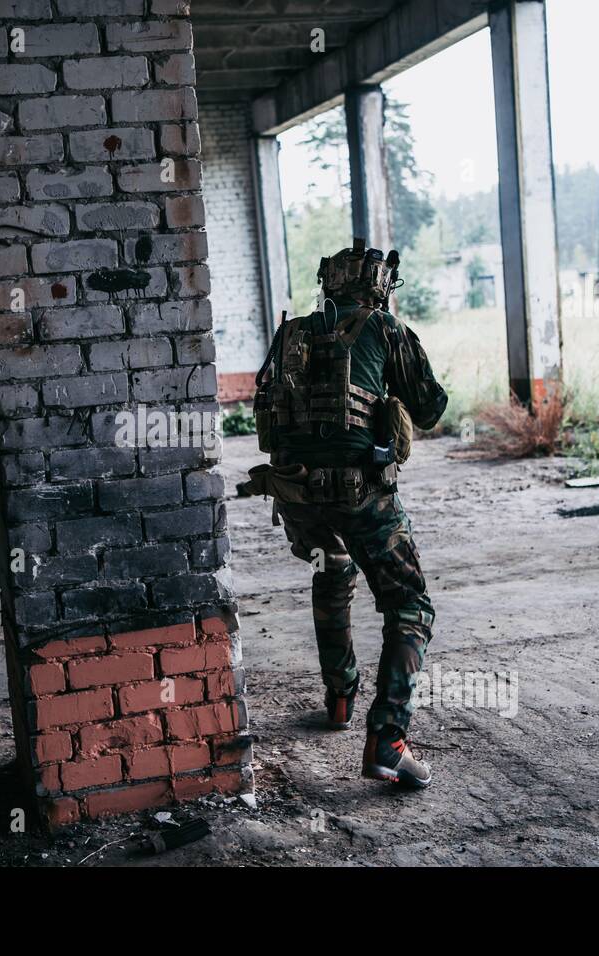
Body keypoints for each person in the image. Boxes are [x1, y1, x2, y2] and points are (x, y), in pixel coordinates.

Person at [245, 239, 448, 787]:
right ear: (379, 285)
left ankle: (340, 698)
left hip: (296, 496)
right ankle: (388, 740)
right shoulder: (386, 329)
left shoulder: (291, 333)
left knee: (331, 572)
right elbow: (431, 408)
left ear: (329, 283)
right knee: (410, 605)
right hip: (361, 494)